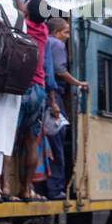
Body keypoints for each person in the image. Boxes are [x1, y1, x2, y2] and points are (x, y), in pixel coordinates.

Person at [44, 14, 87, 199]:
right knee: (57, 142)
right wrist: (79, 83)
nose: (68, 36)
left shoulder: (42, 41)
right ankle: (55, 189)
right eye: (66, 32)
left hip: (41, 95)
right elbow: (59, 72)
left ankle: (42, 187)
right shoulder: (57, 44)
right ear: (56, 32)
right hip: (53, 97)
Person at [14, 0, 51, 202]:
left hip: (23, 87)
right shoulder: (43, 31)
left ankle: (4, 186)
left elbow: (21, 10)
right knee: (31, 142)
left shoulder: (22, 24)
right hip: (40, 89)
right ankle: (27, 188)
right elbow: (27, 10)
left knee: (9, 139)